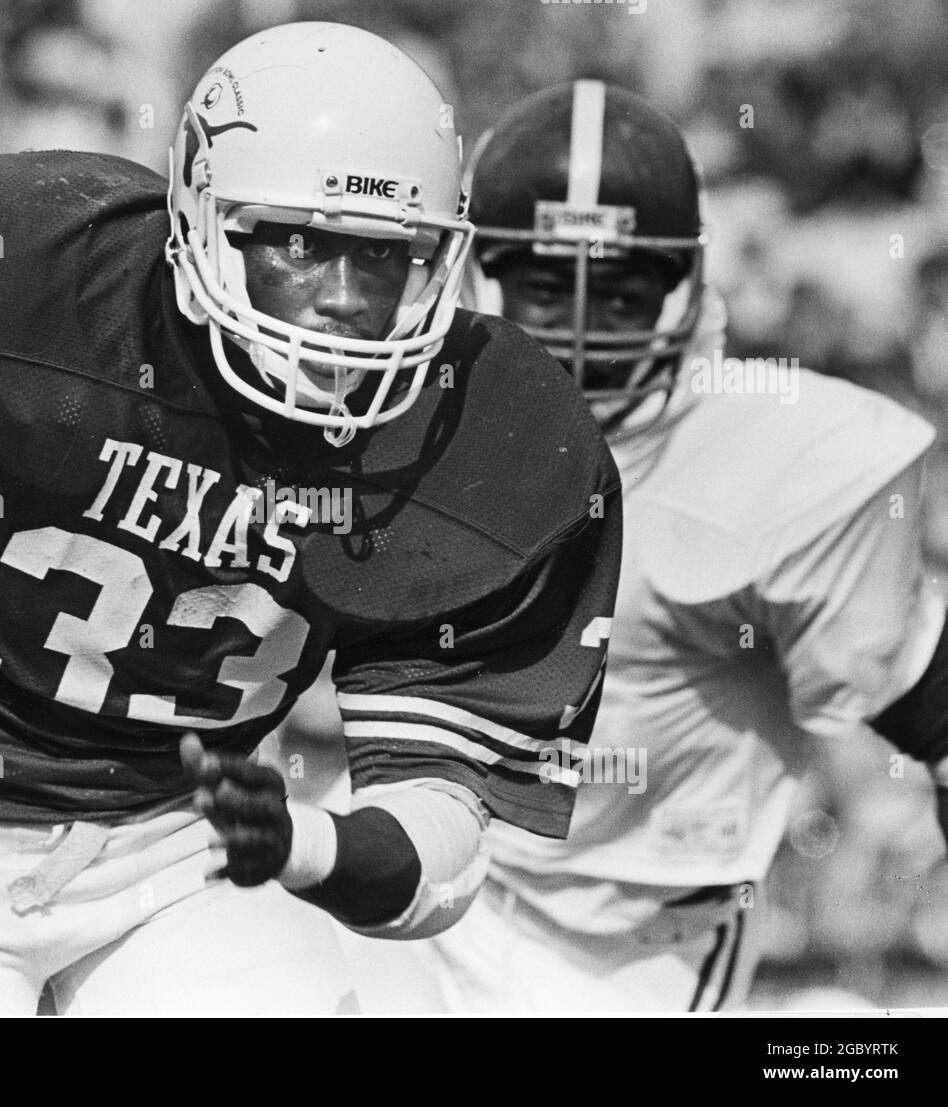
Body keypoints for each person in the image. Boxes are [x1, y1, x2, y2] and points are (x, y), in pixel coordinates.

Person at [0, 25, 620, 1016]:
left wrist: (304, 844)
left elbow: (441, 845)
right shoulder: (9, 279)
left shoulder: (493, 439)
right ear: (196, 218)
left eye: (379, 258)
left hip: (185, 837)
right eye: (294, 244)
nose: (337, 299)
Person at [349, 79, 948, 1014]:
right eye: (547, 282)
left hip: (630, 949)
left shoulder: (776, 462)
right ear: (469, 270)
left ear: (688, 287)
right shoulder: (375, 421)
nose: (582, 328)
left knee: (844, 1041)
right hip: (396, 893)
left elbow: (939, 720)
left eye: (622, 289)